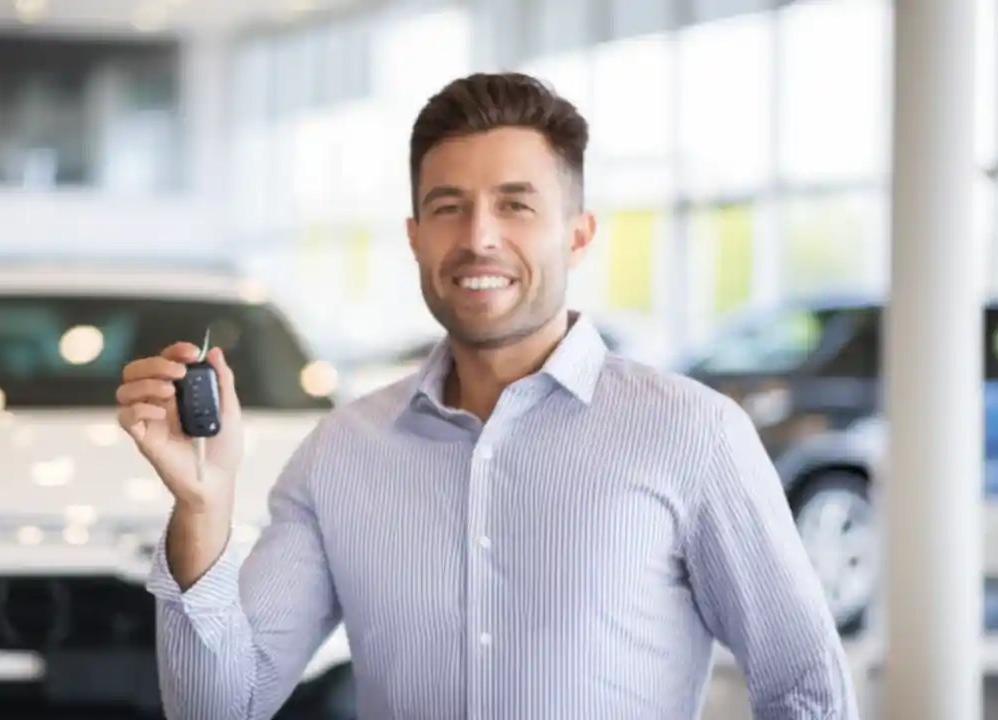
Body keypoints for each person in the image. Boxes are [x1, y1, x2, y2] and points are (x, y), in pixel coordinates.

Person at [116, 72, 859, 720]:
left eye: (516, 205)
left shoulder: (694, 435)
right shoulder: (341, 455)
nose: (479, 237)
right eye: (448, 207)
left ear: (577, 233)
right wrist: (202, 510)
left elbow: (806, 693)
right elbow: (222, 707)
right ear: (414, 236)